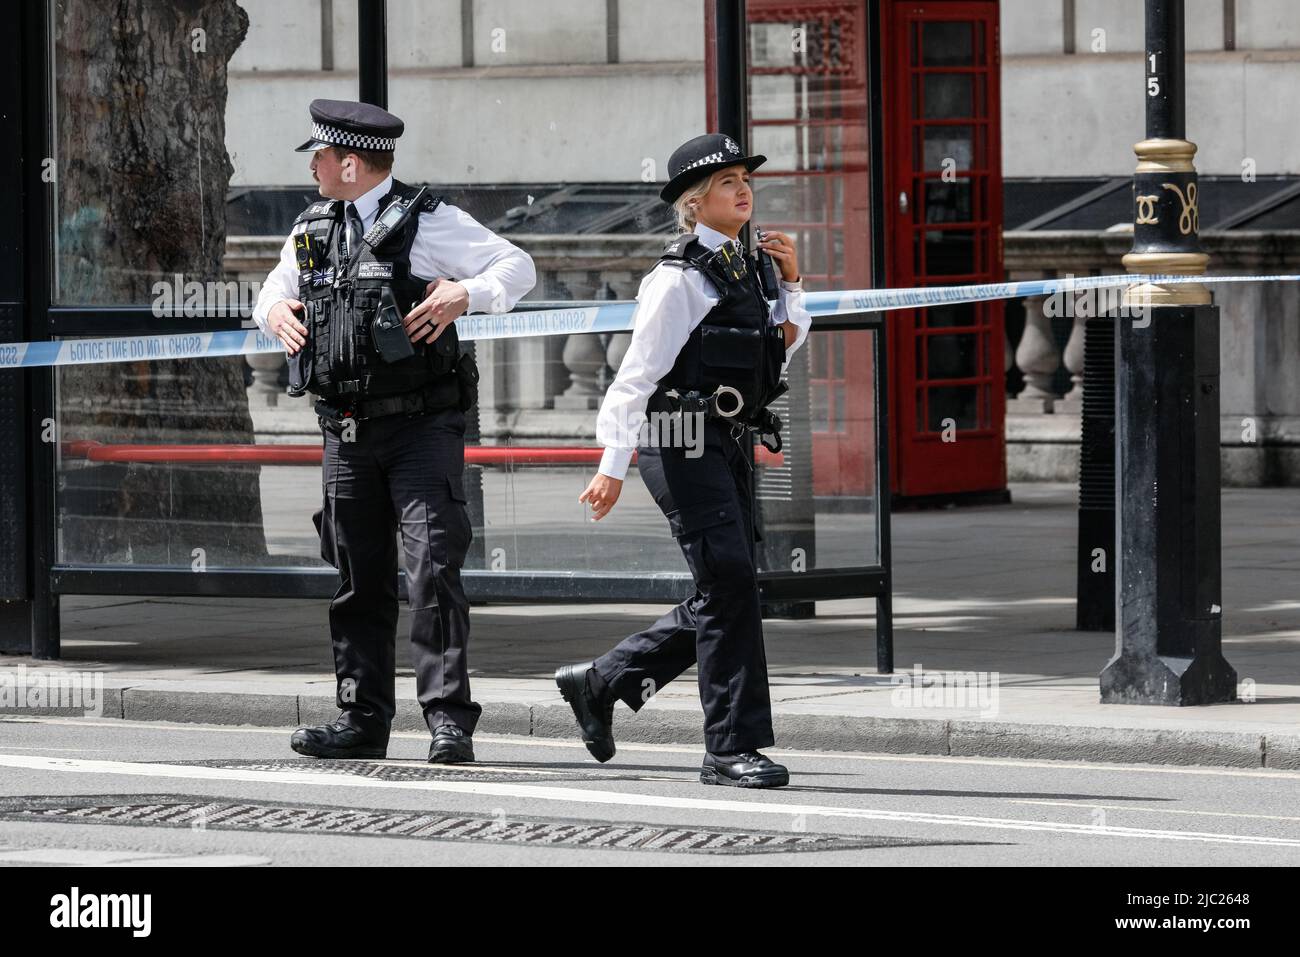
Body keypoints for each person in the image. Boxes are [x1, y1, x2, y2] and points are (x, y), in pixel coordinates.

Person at [252, 99, 536, 764]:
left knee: (433, 569)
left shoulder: (429, 221)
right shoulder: (313, 226)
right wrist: (275, 313)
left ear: (349, 163)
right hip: (345, 432)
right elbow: (269, 287)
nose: (314, 165)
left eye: (320, 156)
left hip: (420, 428)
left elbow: (517, 266)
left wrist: (466, 294)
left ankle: (448, 719)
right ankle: (361, 718)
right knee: (358, 575)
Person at [555, 133, 811, 788]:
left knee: (727, 587)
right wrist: (611, 463)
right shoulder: (676, 279)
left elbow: (780, 346)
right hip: (677, 440)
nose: (743, 189)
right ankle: (730, 745)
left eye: (744, 179)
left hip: (726, 442)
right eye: (726, 182)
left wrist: (794, 284)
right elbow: (632, 376)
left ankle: (603, 680)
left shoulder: (750, 267)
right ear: (695, 204)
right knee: (728, 583)